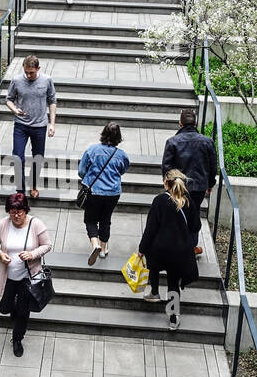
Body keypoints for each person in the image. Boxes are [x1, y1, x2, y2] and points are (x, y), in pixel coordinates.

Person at [0, 191, 53, 357]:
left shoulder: (36, 224)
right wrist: (0, 254)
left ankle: (17, 338)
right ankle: (16, 309)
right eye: (12, 212)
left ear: (26, 210)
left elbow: (47, 245)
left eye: (19, 212)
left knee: (23, 312)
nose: (16, 216)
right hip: (8, 276)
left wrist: (32, 254)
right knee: (4, 307)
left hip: (28, 278)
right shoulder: (3, 224)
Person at [139, 169, 199, 331]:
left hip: (159, 249)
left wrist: (141, 249)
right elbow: (196, 226)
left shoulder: (159, 201)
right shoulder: (188, 202)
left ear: (166, 183)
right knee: (173, 283)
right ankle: (173, 318)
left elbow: (151, 229)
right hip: (179, 251)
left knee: (153, 264)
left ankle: (155, 292)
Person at [161, 107, 218, 257]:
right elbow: (213, 167)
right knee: (194, 214)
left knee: (176, 214)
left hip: (177, 186)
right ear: (196, 122)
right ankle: (191, 247)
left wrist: (167, 184)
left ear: (180, 123)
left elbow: (166, 166)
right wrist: (210, 184)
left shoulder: (172, 142)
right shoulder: (207, 142)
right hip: (199, 187)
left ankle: (174, 245)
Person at [77, 121, 130, 266]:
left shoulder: (92, 150)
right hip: (113, 193)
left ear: (103, 134)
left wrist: (88, 176)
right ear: (118, 137)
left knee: (90, 220)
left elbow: (81, 171)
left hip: (94, 191)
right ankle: (103, 249)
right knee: (106, 220)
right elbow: (123, 170)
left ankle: (95, 245)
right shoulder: (122, 155)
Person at [6, 54, 56, 199]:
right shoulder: (16, 80)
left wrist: (52, 124)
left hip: (40, 125)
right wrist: (14, 109)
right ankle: (20, 191)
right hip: (21, 125)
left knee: (38, 158)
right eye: (26, 72)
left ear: (38, 68)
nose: (28, 75)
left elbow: (52, 101)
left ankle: (33, 185)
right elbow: (9, 100)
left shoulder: (47, 80)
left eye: (31, 72)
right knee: (17, 157)